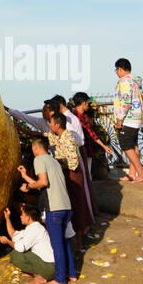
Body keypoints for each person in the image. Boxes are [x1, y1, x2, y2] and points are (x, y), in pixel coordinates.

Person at [18, 135, 77, 284]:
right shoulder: (54, 161)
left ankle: (60, 280)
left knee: (56, 245)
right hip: (66, 207)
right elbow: (44, 184)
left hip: (54, 209)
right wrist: (25, 177)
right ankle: (71, 274)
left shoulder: (38, 160)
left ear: (36, 148)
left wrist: (28, 188)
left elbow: (43, 182)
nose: (32, 151)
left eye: (32, 148)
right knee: (63, 241)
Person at [49, 94, 97, 227]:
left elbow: (77, 141)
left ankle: (84, 224)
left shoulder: (69, 122)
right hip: (72, 157)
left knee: (80, 195)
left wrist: (66, 163)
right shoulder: (66, 122)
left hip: (74, 158)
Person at [46, 110, 92, 246]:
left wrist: (59, 162)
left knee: (76, 204)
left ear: (57, 125)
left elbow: (73, 163)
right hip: (66, 174)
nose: (49, 125)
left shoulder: (68, 138)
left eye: (51, 123)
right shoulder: (58, 137)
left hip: (72, 175)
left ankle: (79, 238)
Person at [0, 201, 56, 284]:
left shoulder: (35, 229)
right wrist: (7, 218)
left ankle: (40, 277)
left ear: (28, 217)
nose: (20, 216)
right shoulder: (32, 227)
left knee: (16, 254)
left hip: (50, 268)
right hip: (49, 266)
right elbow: (14, 235)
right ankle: (37, 272)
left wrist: (7, 241)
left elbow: (20, 248)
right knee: (20, 250)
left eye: (22, 214)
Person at [113, 59, 143, 182]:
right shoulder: (136, 81)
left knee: (127, 146)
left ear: (120, 69)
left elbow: (126, 102)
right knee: (133, 147)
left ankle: (142, 174)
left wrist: (119, 119)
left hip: (128, 119)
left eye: (116, 70)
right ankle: (132, 174)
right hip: (137, 117)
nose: (116, 72)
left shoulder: (125, 82)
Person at [70, 92, 114, 177]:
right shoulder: (75, 117)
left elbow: (92, 134)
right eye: (87, 103)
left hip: (86, 149)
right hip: (80, 149)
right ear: (84, 103)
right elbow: (91, 134)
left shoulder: (80, 116)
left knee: (86, 174)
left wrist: (104, 146)